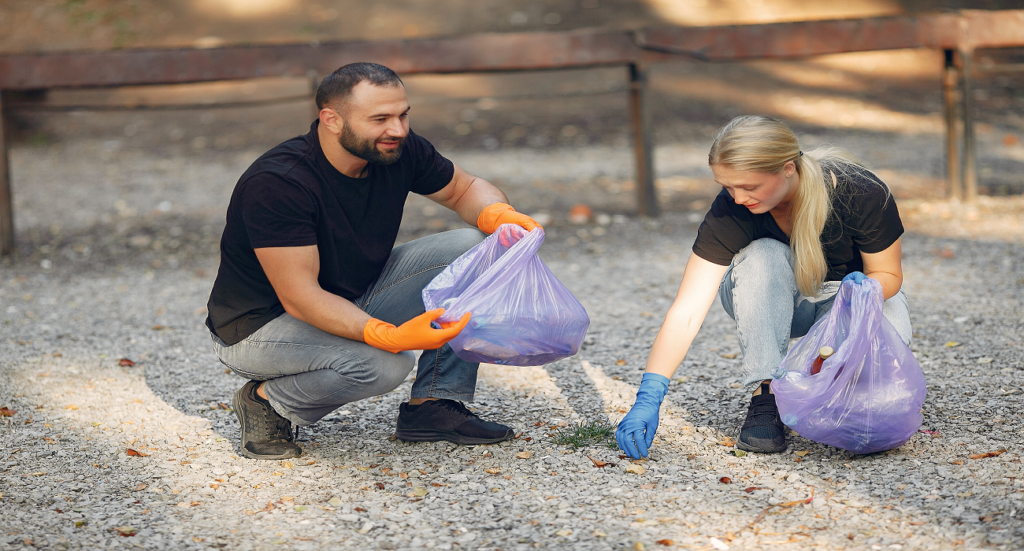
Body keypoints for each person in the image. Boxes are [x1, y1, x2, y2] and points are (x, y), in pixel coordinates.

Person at [205, 62, 541, 460]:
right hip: (261, 327)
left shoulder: (395, 148)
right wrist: (388, 335)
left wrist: (496, 214)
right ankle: (268, 401)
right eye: (380, 118)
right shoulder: (279, 183)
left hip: (349, 298)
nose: (397, 130)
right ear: (331, 119)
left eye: (403, 115)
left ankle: (433, 406)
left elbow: (464, 188)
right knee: (383, 364)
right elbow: (300, 296)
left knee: (477, 244)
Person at [616, 115, 911, 458]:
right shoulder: (733, 210)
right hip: (779, 301)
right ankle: (766, 396)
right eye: (727, 186)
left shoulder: (859, 191)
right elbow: (688, 309)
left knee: (872, 406)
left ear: (787, 169)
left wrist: (865, 292)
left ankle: (839, 388)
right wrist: (649, 396)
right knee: (762, 255)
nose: (738, 198)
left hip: (846, 302)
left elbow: (888, 275)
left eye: (749, 187)